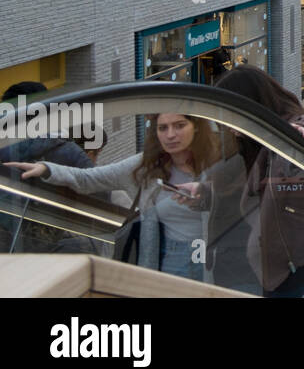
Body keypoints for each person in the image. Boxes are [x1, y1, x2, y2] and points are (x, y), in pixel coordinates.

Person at [6, 112, 222, 281]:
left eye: (180, 125)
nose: (170, 134)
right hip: (167, 259)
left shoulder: (219, 163)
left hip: (216, 256)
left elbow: (242, 199)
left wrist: (208, 192)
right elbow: (89, 178)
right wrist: (47, 169)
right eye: (162, 128)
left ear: (196, 127)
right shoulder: (144, 166)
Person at [215, 65, 304, 297]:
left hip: (291, 262)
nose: (228, 125)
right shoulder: (253, 139)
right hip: (271, 260)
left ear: (251, 104)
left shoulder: (292, 126)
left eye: (231, 114)